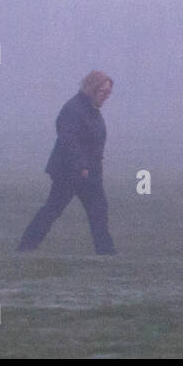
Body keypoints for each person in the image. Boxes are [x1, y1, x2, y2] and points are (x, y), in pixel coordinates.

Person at [17, 70, 116, 255]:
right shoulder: (74, 109)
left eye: (108, 93)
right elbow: (68, 139)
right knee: (52, 210)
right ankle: (26, 246)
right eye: (103, 92)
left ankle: (106, 250)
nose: (106, 97)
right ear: (92, 89)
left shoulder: (92, 110)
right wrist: (81, 166)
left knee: (98, 211)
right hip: (69, 172)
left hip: (89, 171)